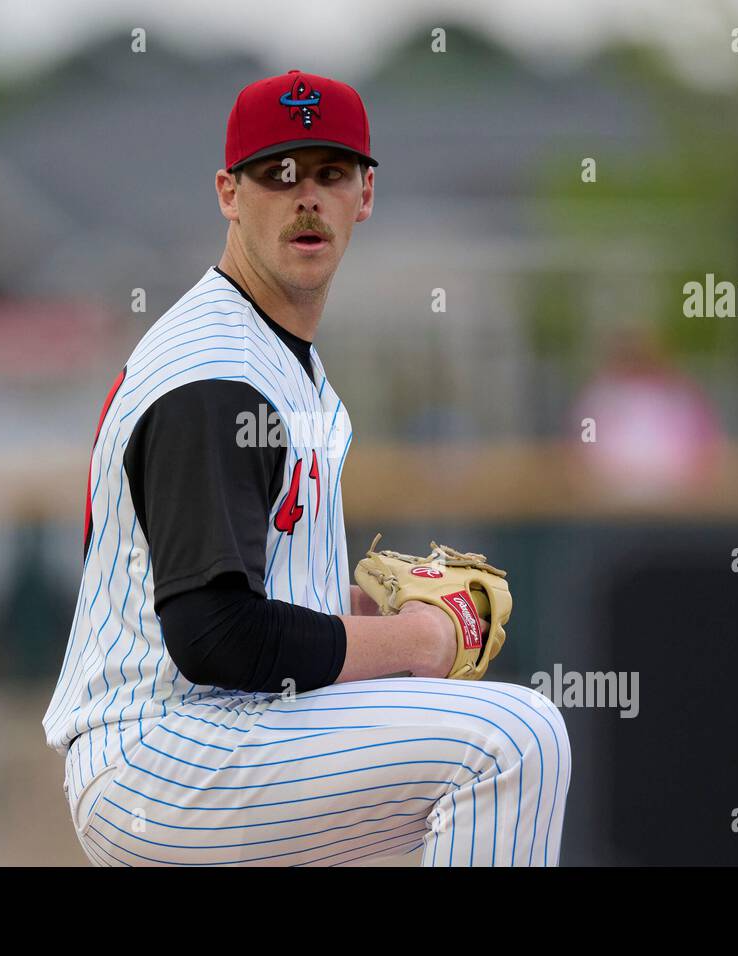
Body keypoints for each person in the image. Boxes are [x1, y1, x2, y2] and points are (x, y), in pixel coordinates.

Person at [43, 70, 570, 866]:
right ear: (228, 192)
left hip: (228, 735)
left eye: (329, 173)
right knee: (513, 740)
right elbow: (214, 635)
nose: (305, 197)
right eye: (277, 174)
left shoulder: (274, 357)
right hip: (167, 754)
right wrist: (416, 640)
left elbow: (248, 610)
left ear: (365, 194)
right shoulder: (216, 372)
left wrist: (354, 602)